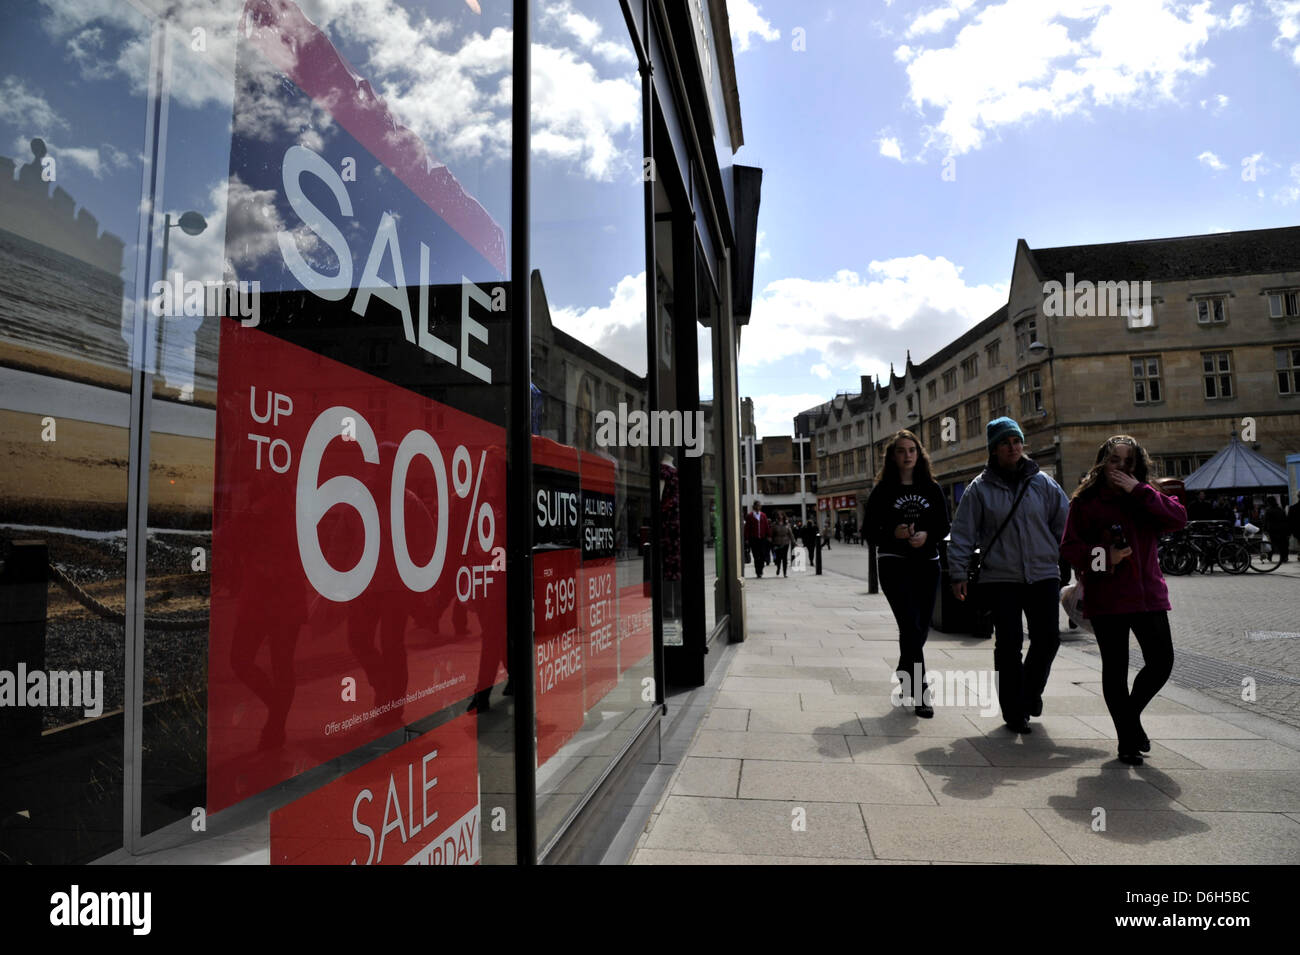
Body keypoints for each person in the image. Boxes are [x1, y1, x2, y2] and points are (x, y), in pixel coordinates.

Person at [1060, 435, 1187, 765]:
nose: (1121, 468)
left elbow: (1178, 519)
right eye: (1115, 461)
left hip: (1149, 597)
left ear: (1137, 466)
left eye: (1128, 462)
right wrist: (1105, 557)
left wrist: (1139, 490)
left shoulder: (1145, 495)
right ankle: (1127, 740)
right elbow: (1070, 548)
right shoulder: (1087, 501)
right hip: (1108, 599)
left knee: (1161, 662)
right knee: (1115, 670)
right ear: (1103, 463)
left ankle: (1130, 719)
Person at [947, 417, 1070, 734]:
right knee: (1009, 643)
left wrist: (1071, 558)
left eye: (1017, 441)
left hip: (1043, 574)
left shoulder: (1043, 483)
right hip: (1000, 578)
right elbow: (962, 534)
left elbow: (1064, 524)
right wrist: (958, 572)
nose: (1013, 447)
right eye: (1005, 442)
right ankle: (1014, 711)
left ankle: (1028, 693)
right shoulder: (979, 489)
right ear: (994, 449)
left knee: (1048, 639)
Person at [865, 430, 950, 718]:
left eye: (912, 450)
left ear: (919, 453)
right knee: (911, 626)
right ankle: (920, 691)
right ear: (893, 456)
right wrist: (893, 532)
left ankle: (905, 670)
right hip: (894, 563)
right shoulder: (882, 491)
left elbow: (944, 526)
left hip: (927, 563)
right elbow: (868, 531)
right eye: (901, 451)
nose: (907, 455)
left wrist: (927, 535)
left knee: (919, 628)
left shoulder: (931, 488)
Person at [745, 501, 772, 578]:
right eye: (757, 505)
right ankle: (758, 571)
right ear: (754, 506)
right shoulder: (750, 516)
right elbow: (747, 528)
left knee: (763, 555)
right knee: (756, 555)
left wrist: (769, 536)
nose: (758, 507)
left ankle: (761, 568)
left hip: (762, 539)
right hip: (753, 539)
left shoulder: (763, 515)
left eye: (759, 505)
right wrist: (746, 538)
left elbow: (766, 526)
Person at [1264, 496, 1289, 563]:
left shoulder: (1268, 510)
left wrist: (1264, 529)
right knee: (1283, 544)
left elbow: (1266, 521)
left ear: (1269, 502)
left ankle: (1269, 557)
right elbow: (1285, 520)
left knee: (1271, 544)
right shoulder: (1280, 510)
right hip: (1281, 530)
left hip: (1272, 530)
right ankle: (1284, 557)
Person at [771, 512, 793, 577]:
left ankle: (785, 573)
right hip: (777, 543)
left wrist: (794, 542)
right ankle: (778, 568)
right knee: (778, 558)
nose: (780, 517)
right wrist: (771, 542)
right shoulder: (774, 525)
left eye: (781, 515)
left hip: (785, 543)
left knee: (784, 558)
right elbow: (771, 534)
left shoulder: (787, 524)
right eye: (779, 515)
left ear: (783, 516)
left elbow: (791, 534)